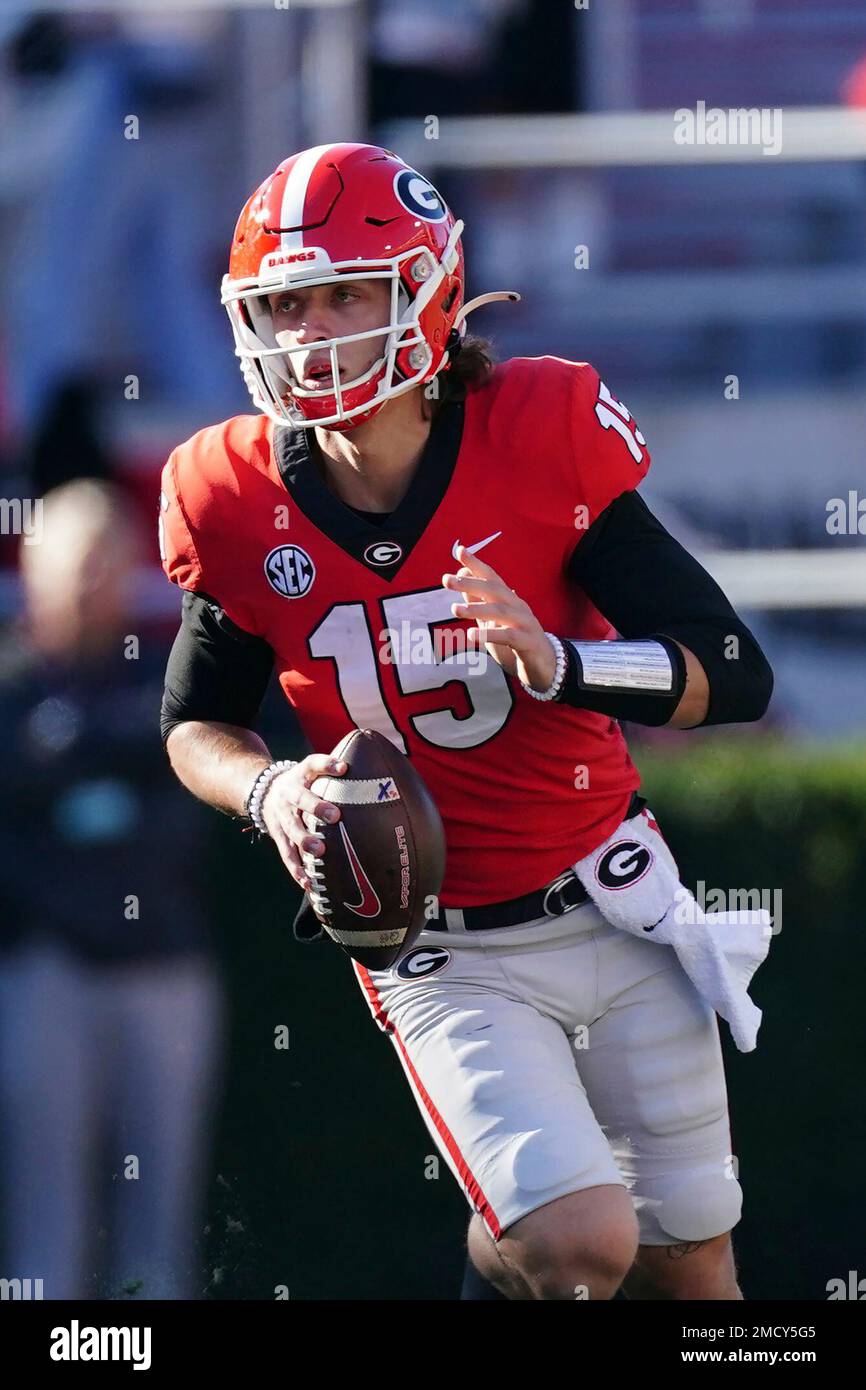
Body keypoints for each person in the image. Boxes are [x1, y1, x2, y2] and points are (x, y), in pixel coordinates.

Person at [159, 142, 773, 1301]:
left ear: (428, 292)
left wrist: (561, 661)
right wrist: (266, 789)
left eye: (347, 290)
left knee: (690, 1262)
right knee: (577, 1242)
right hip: (432, 939)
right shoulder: (232, 496)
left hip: (610, 893)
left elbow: (734, 672)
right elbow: (193, 722)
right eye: (287, 302)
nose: (314, 327)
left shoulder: (539, 426)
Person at [0, 479, 224, 1299]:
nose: (96, 582)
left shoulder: (164, 678)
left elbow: (187, 817)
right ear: (36, 569)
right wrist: (106, 786)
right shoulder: (11, 683)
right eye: (78, 563)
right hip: (45, 968)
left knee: (161, 1215)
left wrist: (74, 786)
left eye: (111, 562)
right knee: (42, 1209)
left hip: (165, 967)